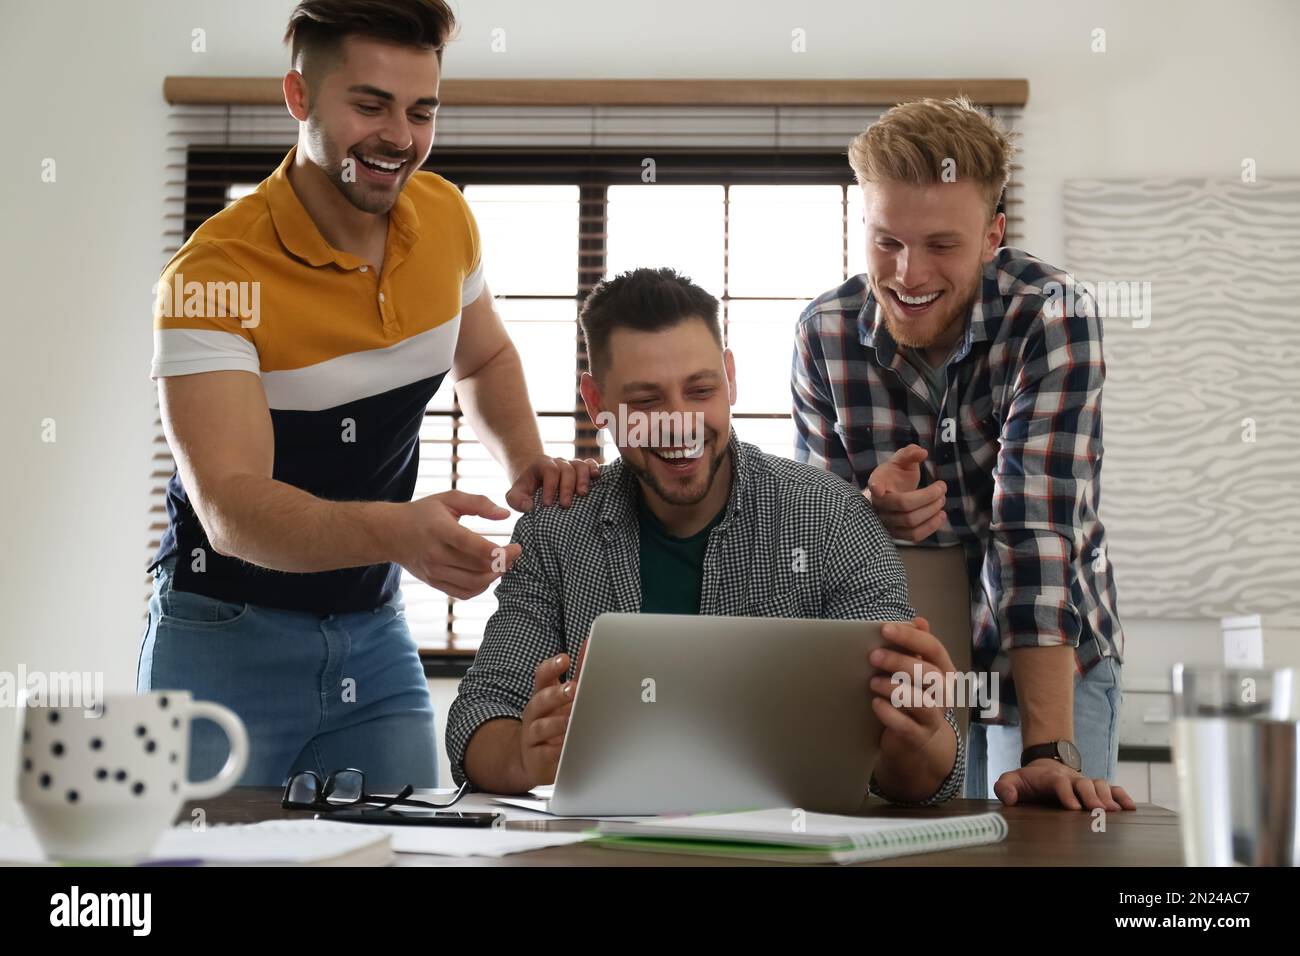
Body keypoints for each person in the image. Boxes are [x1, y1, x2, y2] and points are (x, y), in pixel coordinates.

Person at [139, 0, 597, 789]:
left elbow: (482, 358)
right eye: (370, 105)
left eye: (421, 111)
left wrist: (523, 461)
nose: (400, 137)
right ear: (299, 97)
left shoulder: (446, 216)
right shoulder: (212, 276)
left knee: (404, 849)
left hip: (372, 630)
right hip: (221, 634)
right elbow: (232, 508)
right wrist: (400, 534)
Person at [447, 267, 965, 806]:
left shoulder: (832, 518)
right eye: (645, 401)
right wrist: (522, 756)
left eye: (700, 390)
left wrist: (920, 740)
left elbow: (922, 771)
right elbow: (476, 717)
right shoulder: (557, 530)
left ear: (731, 378)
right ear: (596, 401)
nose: (679, 424)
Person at [792, 97, 1134, 811]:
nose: (908, 274)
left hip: (1050, 654)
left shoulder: (1051, 316)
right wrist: (866, 514)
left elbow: (1033, 531)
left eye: (941, 245)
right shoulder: (821, 336)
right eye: (886, 242)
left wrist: (1047, 750)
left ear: (992, 236)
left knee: (1046, 841)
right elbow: (812, 541)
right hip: (904, 661)